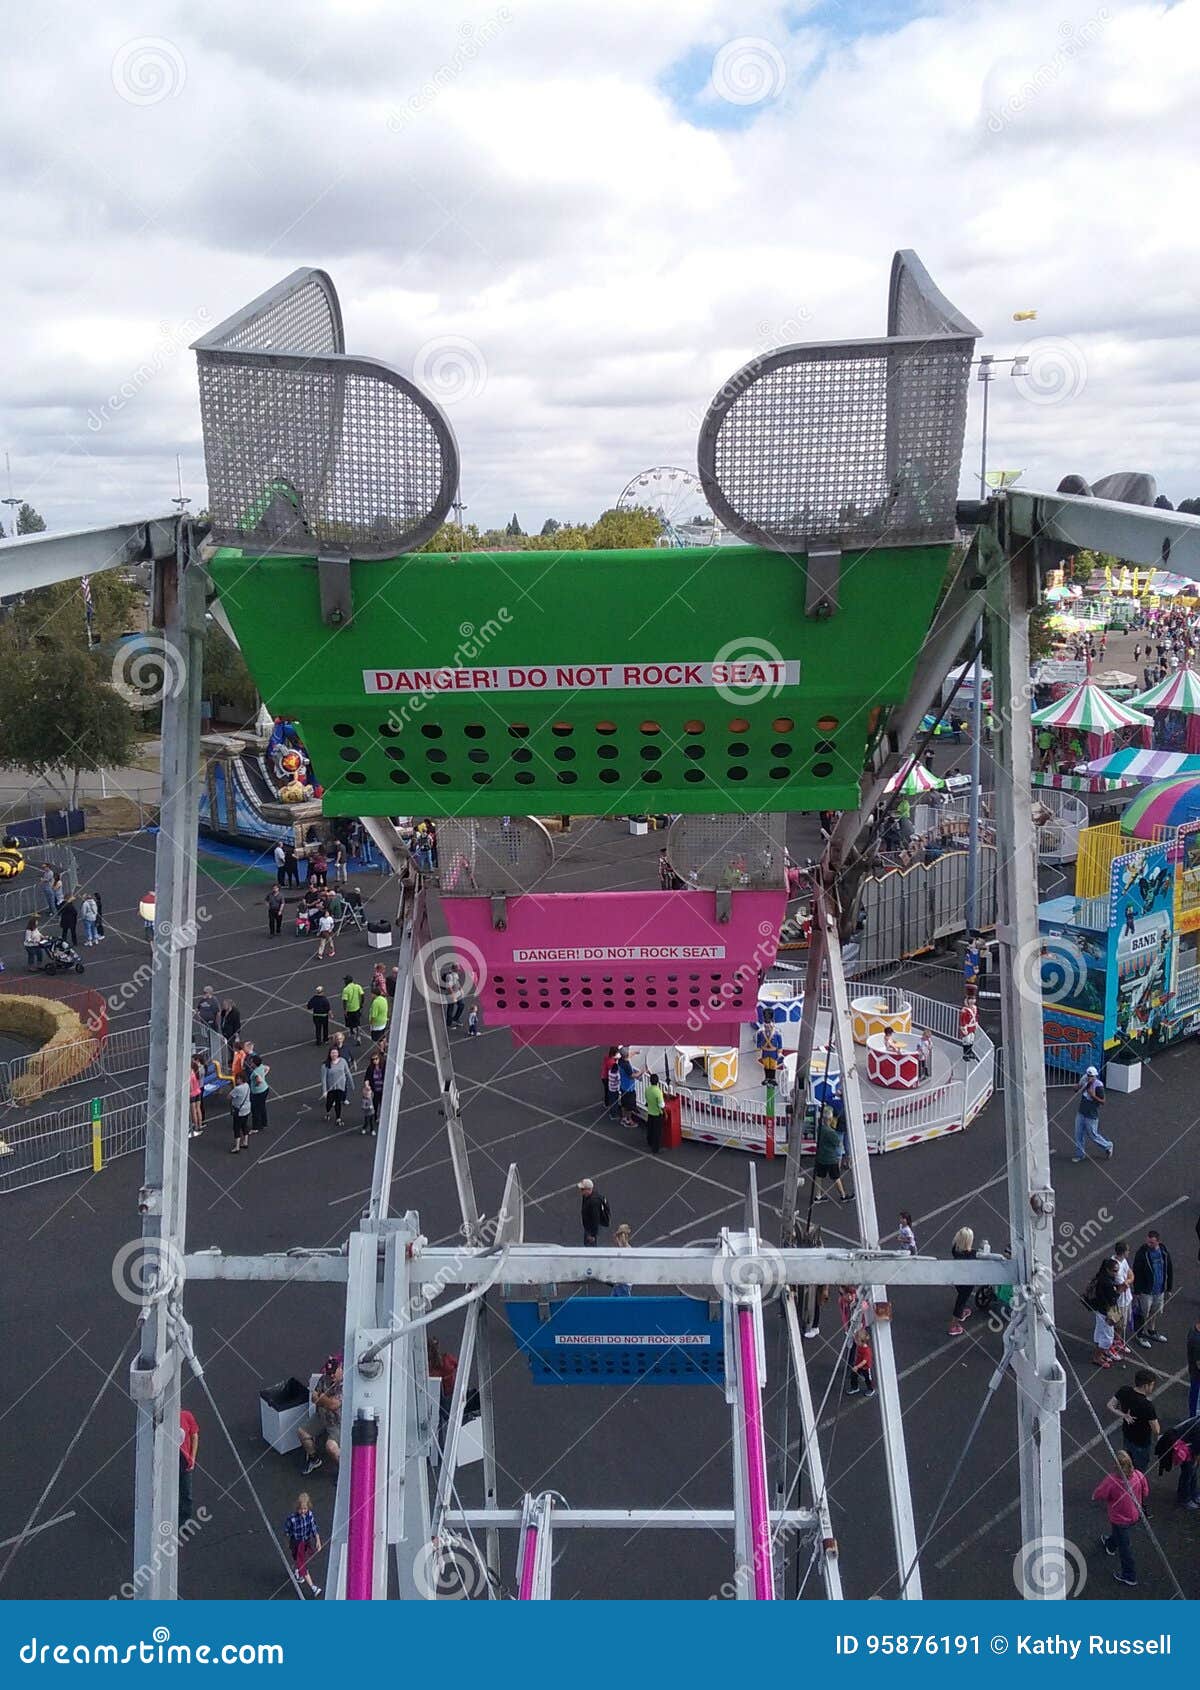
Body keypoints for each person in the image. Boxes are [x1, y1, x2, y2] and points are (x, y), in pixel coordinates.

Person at [1093, 1450, 1148, 1587]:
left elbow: (1099, 1494)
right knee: (1119, 1535)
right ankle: (1110, 1544)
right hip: (1135, 1515)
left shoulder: (1112, 1480)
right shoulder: (1139, 1475)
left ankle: (1129, 1575)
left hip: (1119, 1518)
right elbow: (1146, 1491)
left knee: (1125, 1547)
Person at [297, 1355, 343, 1475]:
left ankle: (344, 1470)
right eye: (329, 1373)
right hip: (322, 1417)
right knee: (302, 1432)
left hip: (338, 1423)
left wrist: (321, 1398)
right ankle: (314, 1459)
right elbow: (314, 1397)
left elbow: (334, 1405)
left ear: (340, 1368)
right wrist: (324, 1400)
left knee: (331, 1447)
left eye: (334, 1372)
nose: (331, 1375)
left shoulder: (345, 1384)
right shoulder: (324, 1379)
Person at [1108, 1370, 1160, 1473]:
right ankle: (1136, 1487)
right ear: (1146, 1386)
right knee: (1139, 1470)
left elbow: (1110, 1405)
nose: (1153, 1388)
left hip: (1127, 1435)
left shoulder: (1124, 1390)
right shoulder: (1147, 1405)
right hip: (1141, 1442)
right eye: (1152, 1385)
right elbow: (1156, 1429)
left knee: (1126, 1464)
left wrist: (1123, 1415)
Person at [1131, 1230, 1172, 1345]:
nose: (1149, 1245)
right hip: (1146, 1291)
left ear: (1158, 1242)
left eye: (1152, 1243)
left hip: (1159, 1290)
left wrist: (1169, 1287)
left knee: (1155, 1312)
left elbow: (1169, 1268)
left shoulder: (1163, 1251)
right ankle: (1140, 1335)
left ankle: (1151, 1331)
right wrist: (1137, 1291)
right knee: (1143, 1313)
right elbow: (1137, 1272)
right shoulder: (1142, 1253)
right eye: (1148, 1242)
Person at [1086, 1258, 1122, 1370]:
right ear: (1108, 1270)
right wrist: (1120, 1290)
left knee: (1099, 1332)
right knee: (1107, 1337)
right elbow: (1113, 1297)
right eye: (1115, 1271)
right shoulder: (1107, 1283)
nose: (1117, 1273)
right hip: (1108, 1311)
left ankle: (1101, 1354)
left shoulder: (1101, 1278)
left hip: (1102, 1309)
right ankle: (1098, 1357)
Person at [284, 1494, 322, 1596]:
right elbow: (287, 1531)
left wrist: (317, 1540)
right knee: (301, 1564)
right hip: (296, 1542)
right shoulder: (292, 1519)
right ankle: (313, 1587)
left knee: (300, 1561)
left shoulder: (309, 1515)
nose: (303, 1511)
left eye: (305, 1508)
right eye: (301, 1509)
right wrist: (288, 1542)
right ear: (297, 1508)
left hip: (305, 1542)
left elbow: (313, 1528)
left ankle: (299, 1574)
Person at [1072, 1065, 1112, 1161]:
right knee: (1078, 1134)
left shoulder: (1099, 1086)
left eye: (1091, 1076)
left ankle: (1107, 1145)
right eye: (1088, 1076)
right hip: (1081, 1112)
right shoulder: (1084, 1080)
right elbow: (1076, 1089)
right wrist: (1079, 1086)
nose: (1089, 1078)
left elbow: (1102, 1102)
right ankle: (1080, 1154)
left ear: (1095, 1076)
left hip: (1091, 1115)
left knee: (1093, 1135)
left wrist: (1093, 1095)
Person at [813, 1106, 850, 1203]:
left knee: (819, 1176)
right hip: (831, 1158)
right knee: (836, 1177)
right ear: (830, 1119)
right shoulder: (831, 1132)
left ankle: (818, 1196)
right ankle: (843, 1195)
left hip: (821, 1156)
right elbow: (838, 1143)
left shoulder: (820, 1128)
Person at [948, 1226, 977, 1337]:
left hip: (957, 1278)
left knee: (961, 1299)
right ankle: (953, 1325)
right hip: (967, 1281)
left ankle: (962, 1312)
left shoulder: (955, 1248)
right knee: (960, 1301)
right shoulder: (971, 1255)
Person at [179, 1407, 199, 1526]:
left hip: (184, 1462)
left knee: (186, 1493)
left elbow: (194, 1435)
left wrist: (192, 1457)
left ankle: (185, 1520)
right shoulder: (163, 1420)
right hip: (170, 1463)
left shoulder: (186, 1416)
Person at [322, 1046, 352, 1123]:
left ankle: (338, 1117)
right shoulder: (325, 1065)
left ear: (338, 1053)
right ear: (329, 1054)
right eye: (332, 1053)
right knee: (329, 1102)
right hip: (331, 1088)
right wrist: (324, 1091)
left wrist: (352, 1083)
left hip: (340, 1087)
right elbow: (323, 1079)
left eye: (335, 1052)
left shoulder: (343, 1061)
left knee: (338, 1102)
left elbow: (347, 1072)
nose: (334, 1054)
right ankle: (328, 1112)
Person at [578, 1177, 609, 1247]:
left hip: (592, 1229)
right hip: (588, 1226)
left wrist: (593, 1235)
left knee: (590, 1247)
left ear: (589, 1189)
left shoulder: (594, 1202)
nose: (581, 1191)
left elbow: (596, 1218)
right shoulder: (586, 1196)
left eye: (583, 1189)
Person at [846, 1325, 875, 1396]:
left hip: (865, 1367)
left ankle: (871, 1389)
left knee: (867, 1378)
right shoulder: (860, 1345)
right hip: (858, 1364)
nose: (855, 1341)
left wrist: (857, 1367)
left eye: (857, 1340)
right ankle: (855, 1387)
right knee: (853, 1375)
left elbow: (864, 1361)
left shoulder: (866, 1351)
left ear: (862, 1342)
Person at [229, 1072, 252, 1153]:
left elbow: (229, 1096)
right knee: (244, 1125)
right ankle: (245, 1142)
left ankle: (237, 1147)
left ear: (241, 1079)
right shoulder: (247, 1085)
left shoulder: (237, 1089)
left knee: (236, 1128)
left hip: (239, 1111)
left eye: (237, 1079)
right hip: (247, 1108)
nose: (236, 1080)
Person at [248, 1053, 270, 1135]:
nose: (250, 1063)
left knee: (255, 1110)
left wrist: (257, 1084)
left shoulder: (255, 1072)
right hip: (265, 1089)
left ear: (254, 1063)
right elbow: (267, 1068)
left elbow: (259, 1081)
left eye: (251, 1062)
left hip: (258, 1092)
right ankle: (264, 1123)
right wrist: (263, 1075)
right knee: (262, 1107)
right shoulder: (261, 1067)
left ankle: (256, 1127)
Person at [616, 1046, 638, 1126]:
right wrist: (642, 1072)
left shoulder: (620, 1061)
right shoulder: (626, 1065)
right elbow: (632, 1075)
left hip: (623, 1086)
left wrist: (635, 1053)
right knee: (629, 1106)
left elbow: (627, 1056)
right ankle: (629, 1120)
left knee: (624, 1103)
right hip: (629, 1088)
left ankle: (624, 1118)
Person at [340, 975, 364, 1046]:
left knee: (349, 1021)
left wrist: (345, 1010)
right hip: (357, 1008)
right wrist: (361, 1004)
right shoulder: (358, 986)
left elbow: (345, 1000)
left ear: (347, 981)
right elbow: (362, 995)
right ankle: (358, 1036)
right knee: (358, 1023)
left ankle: (351, 1032)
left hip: (350, 1009)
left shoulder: (345, 989)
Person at [612, 1222, 633, 1295]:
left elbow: (624, 1243)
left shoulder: (627, 1249)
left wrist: (623, 1235)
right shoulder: (621, 1249)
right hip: (618, 1283)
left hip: (624, 1284)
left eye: (621, 1235)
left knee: (625, 1305)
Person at [959, 986, 978, 1062]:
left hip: (972, 1027)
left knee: (971, 1040)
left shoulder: (974, 1008)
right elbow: (963, 1020)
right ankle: (965, 1054)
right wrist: (964, 1028)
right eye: (971, 999)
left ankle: (970, 1052)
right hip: (967, 1027)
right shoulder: (964, 1010)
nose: (972, 1001)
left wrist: (976, 1022)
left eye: (973, 999)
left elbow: (976, 1016)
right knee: (966, 1041)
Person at [188, 1056, 205, 1138]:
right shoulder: (195, 1072)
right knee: (198, 1108)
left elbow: (190, 1087)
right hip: (198, 1091)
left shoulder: (189, 1075)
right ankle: (200, 1124)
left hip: (192, 1094)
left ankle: (196, 1126)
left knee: (193, 1111)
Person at [1187, 1318, 1200, 1420]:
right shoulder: (1197, 1340)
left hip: (1194, 1373)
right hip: (1197, 1376)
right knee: (1196, 1406)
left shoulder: (1193, 1330)